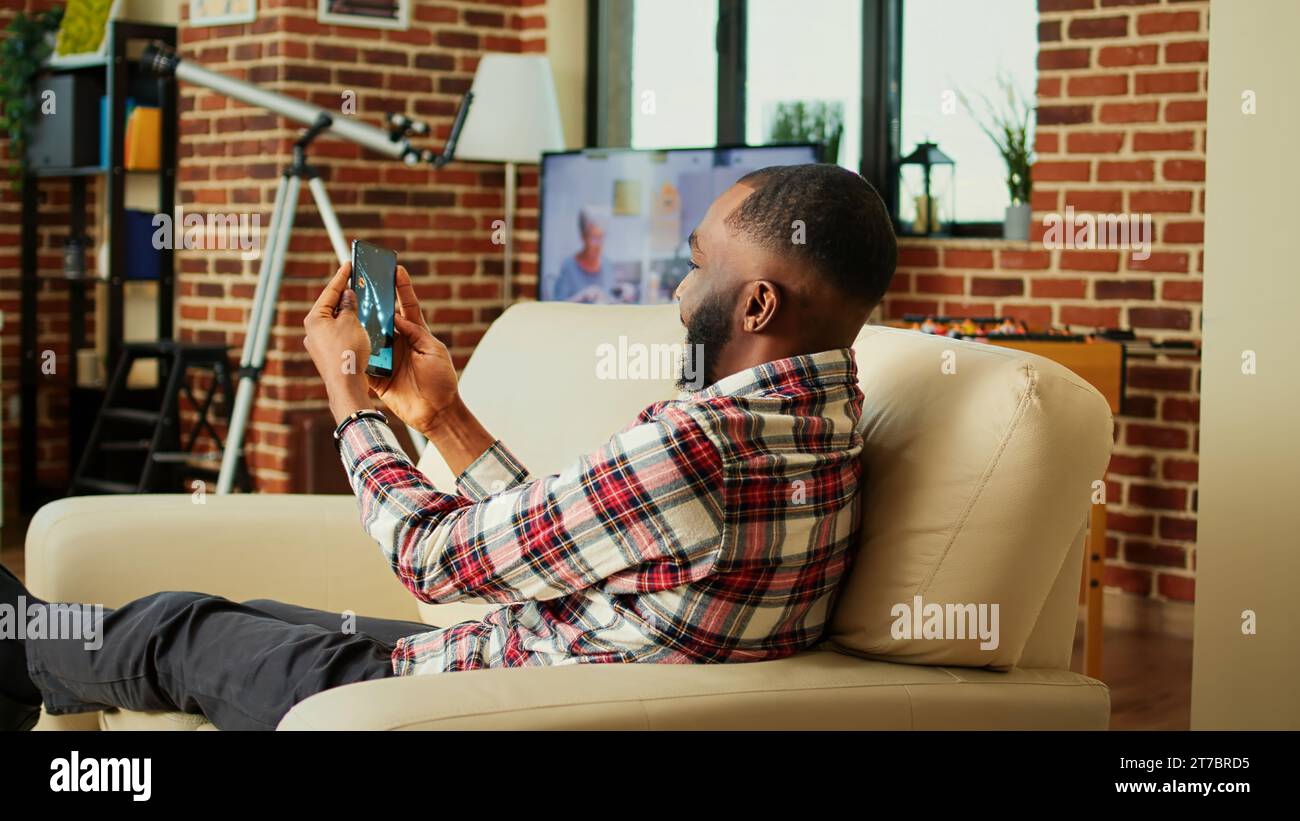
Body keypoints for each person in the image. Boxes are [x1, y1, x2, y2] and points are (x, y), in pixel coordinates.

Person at [0, 163, 897, 731]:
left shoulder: (695, 447)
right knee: (246, 610)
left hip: (452, 694)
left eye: (699, 261)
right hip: (530, 655)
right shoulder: (825, 419)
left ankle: (15, 649)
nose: (679, 285)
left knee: (178, 628)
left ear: (756, 307)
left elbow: (431, 561)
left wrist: (349, 398)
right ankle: (46, 671)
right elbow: (592, 539)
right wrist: (440, 417)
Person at [552, 206, 617, 302]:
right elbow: (556, 307)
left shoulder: (607, 265)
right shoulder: (569, 267)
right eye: (594, 238)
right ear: (583, 237)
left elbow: (611, 300)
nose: (599, 245)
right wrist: (581, 297)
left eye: (602, 237)